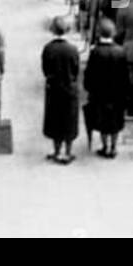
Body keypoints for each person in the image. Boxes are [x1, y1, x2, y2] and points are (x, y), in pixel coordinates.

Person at [83, 17, 128, 158]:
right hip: (117, 93)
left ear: (98, 33)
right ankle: (114, 147)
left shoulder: (95, 52)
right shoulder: (120, 52)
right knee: (115, 120)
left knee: (103, 121)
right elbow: (125, 75)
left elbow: (89, 73)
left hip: (100, 93)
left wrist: (88, 88)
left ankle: (104, 146)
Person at [41, 14, 80, 164]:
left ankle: (57, 151)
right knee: (69, 120)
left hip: (54, 88)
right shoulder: (72, 49)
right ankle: (68, 152)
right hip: (70, 88)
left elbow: (45, 69)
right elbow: (76, 70)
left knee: (55, 119)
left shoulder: (48, 49)